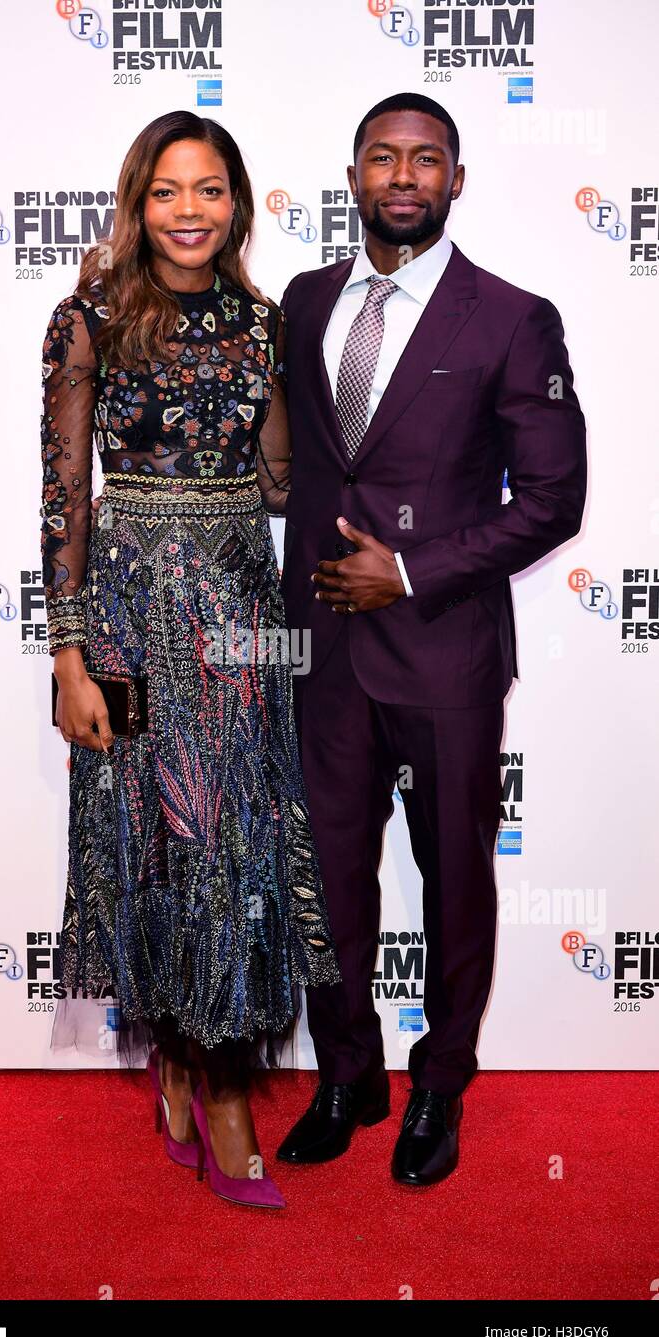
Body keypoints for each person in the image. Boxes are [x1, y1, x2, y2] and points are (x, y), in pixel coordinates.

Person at [275, 93, 587, 1185]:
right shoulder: (305, 302)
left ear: (456, 181)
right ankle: (348, 1073)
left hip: (445, 652)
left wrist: (407, 568)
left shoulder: (510, 317)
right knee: (327, 878)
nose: (402, 176)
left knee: (454, 879)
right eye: (381, 157)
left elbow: (553, 499)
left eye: (425, 160)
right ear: (353, 174)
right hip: (316, 652)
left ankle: (439, 1085)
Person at [40, 110, 340, 1210]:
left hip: (240, 618)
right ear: (138, 201)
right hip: (122, 612)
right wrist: (69, 657)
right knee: (151, 846)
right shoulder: (89, 321)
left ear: (238, 204)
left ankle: (205, 1078)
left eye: (209, 190)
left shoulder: (265, 328)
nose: (188, 211)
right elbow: (64, 499)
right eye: (168, 190)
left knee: (233, 844)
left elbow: (274, 484)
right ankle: (198, 1084)